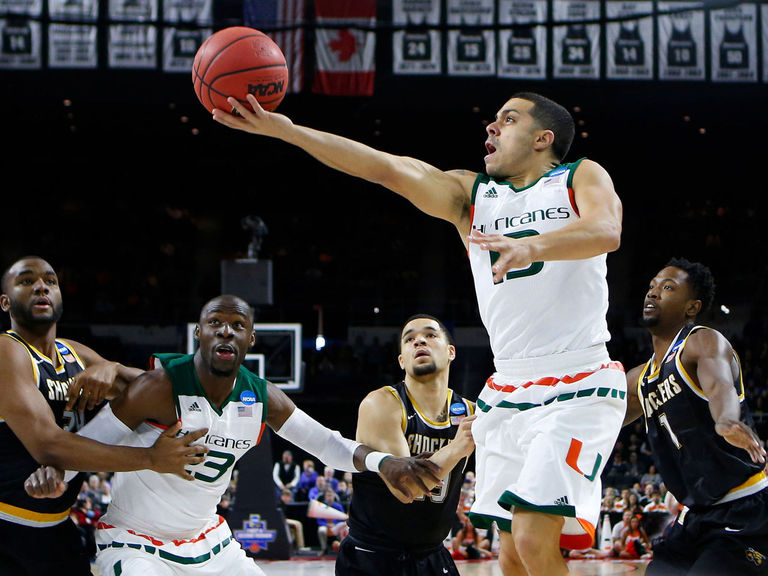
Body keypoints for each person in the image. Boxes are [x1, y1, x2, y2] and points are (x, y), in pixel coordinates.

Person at [213, 90, 625, 576]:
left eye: (507, 119)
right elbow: (385, 167)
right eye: (491, 119)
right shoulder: (473, 197)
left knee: (535, 542)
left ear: (543, 138)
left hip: (575, 377)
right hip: (509, 388)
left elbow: (607, 230)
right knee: (511, 553)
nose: (490, 127)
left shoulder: (578, 176)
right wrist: (289, 131)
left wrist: (533, 246)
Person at [26, 294, 443, 575]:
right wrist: (56, 473)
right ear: (199, 332)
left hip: (209, 542)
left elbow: (327, 444)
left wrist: (382, 461)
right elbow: (94, 441)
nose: (226, 331)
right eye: (215, 323)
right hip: (136, 543)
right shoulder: (158, 388)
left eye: (237, 325)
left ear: (250, 339)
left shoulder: (265, 399)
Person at [0, 256, 210, 576]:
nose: (41, 285)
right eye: (26, 281)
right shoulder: (7, 351)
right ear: (6, 302)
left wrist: (111, 368)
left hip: (56, 528)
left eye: (50, 281)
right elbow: (49, 446)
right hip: (7, 529)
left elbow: (157, 393)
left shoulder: (74, 353)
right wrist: (151, 458)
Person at [624, 257, 768, 575]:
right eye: (651, 286)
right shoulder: (640, 378)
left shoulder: (702, 342)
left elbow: (720, 388)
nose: (653, 293)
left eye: (668, 287)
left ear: (692, 307)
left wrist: (727, 421)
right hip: (696, 519)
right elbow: (602, 424)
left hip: (746, 512)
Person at [335, 314, 476, 576]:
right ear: (402, 360)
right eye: (409, 339)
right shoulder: (381, 404)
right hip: (374, 557)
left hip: (432, 553)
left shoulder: (468, 411)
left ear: (451, 352)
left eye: (430, 335)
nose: (419, 340)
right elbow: (407, 488)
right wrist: (457, 447)